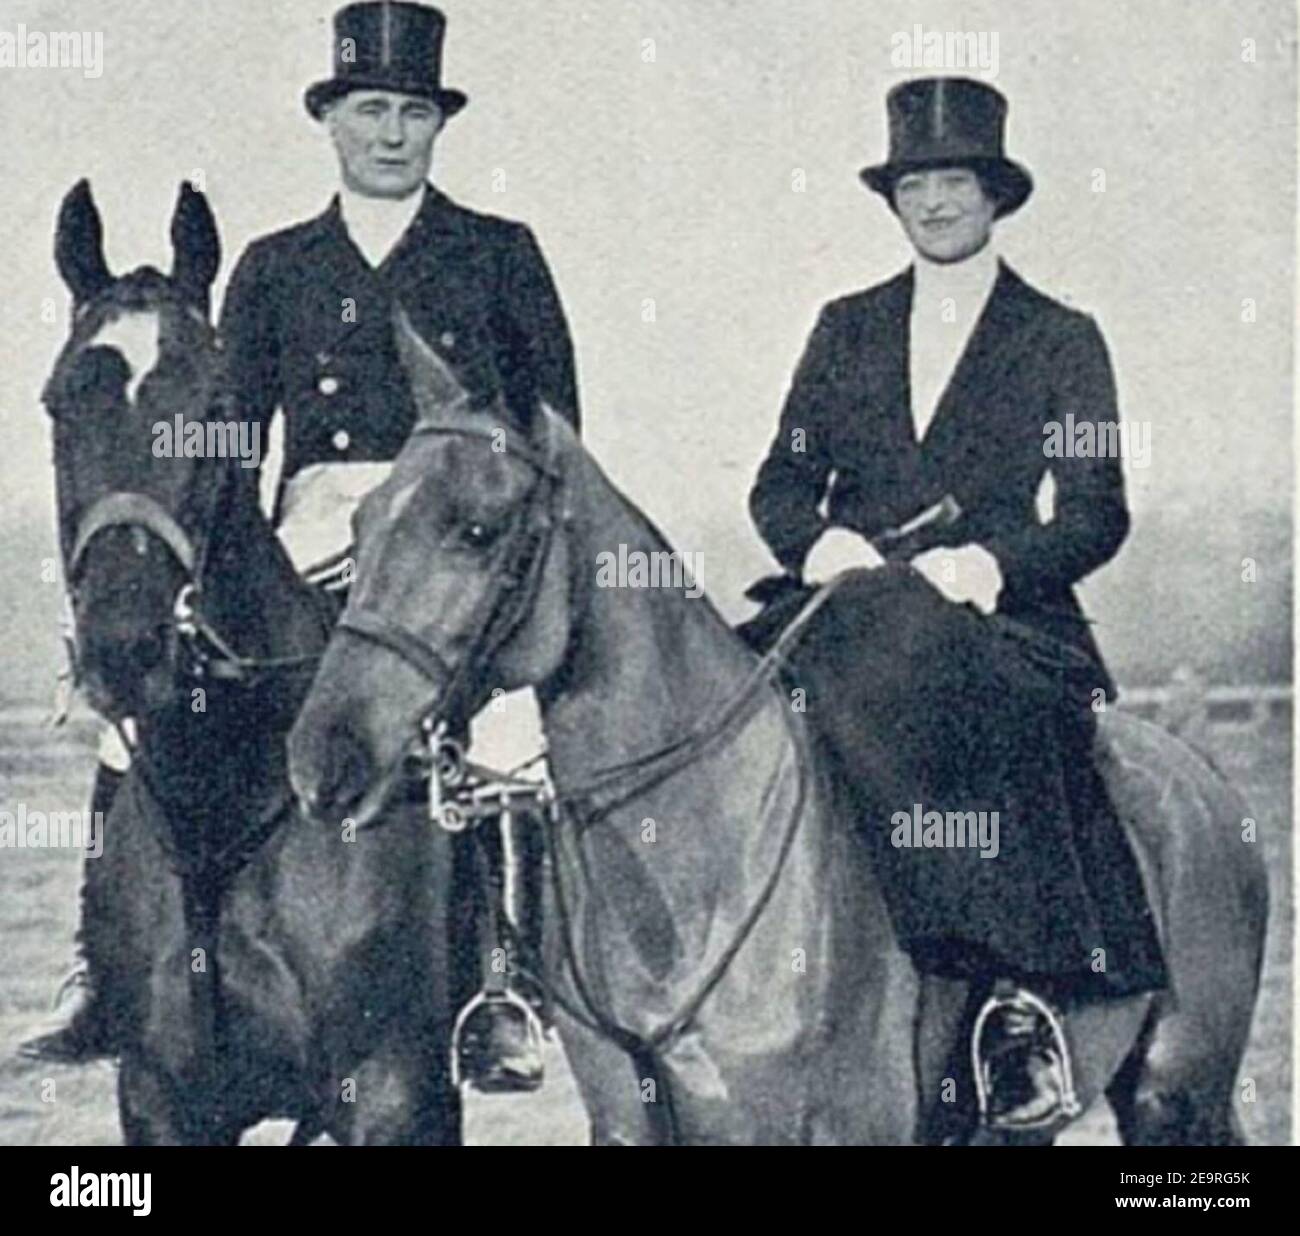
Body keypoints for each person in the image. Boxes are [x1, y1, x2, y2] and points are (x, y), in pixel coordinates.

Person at [23, 1, 577, 1093]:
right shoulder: (275, 266)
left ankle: (501, 987)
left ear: (436, 125)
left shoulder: (500, 255)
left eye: (411, 112)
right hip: (314, 531)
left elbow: (555, 431)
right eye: (369, 109)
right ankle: (108, 974)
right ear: (330, 120)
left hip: (450, 542)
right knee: (128, 723)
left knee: (512, 732)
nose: (390, 133)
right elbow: (230, 432)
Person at [747, 77, 1165, 1130]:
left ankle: (1018, 999)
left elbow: (1093, 510)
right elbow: (780, 483)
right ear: (895, 198)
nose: (934, 203)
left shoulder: (1061, 336)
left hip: (997, 619)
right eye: (915, 183)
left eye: (956, 182)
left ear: (994, 195)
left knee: (995, 713)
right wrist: (823, 543)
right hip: (847, 608)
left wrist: (985, 566)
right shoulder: (842, 327)